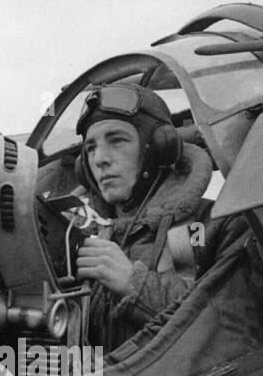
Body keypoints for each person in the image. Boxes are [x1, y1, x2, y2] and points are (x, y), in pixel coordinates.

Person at [70, 84, 224, 352]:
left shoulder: (203, 223)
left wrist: (134, 283)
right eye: (91, 148)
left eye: (117, 140)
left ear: (157, 149)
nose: (100, 160)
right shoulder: (82, 235)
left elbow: (222, 322)